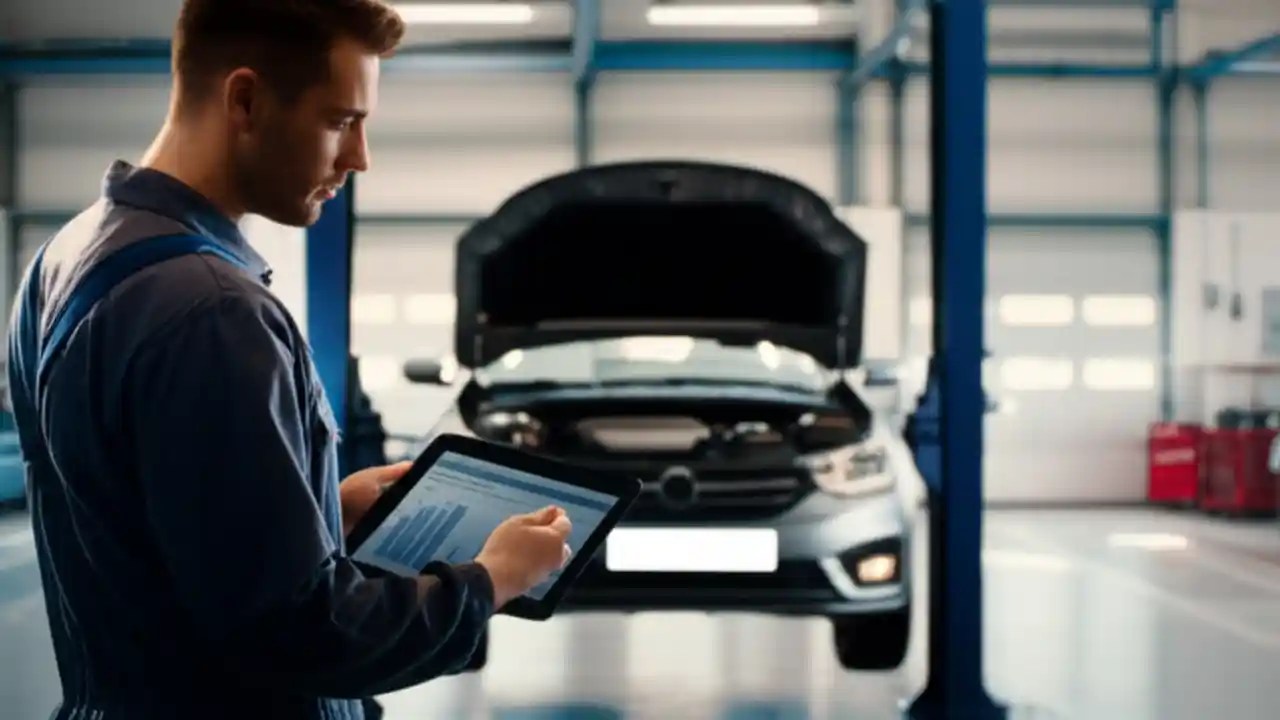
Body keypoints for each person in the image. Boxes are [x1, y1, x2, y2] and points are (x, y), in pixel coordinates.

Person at [3, 1, 573, 718]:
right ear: (244, 100)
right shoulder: (213, 311)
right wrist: (491, 579)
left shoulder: (67, 259)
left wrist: (318, 514)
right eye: (341, 122)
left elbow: (134, 529)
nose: (359, 158)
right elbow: (307, 635)